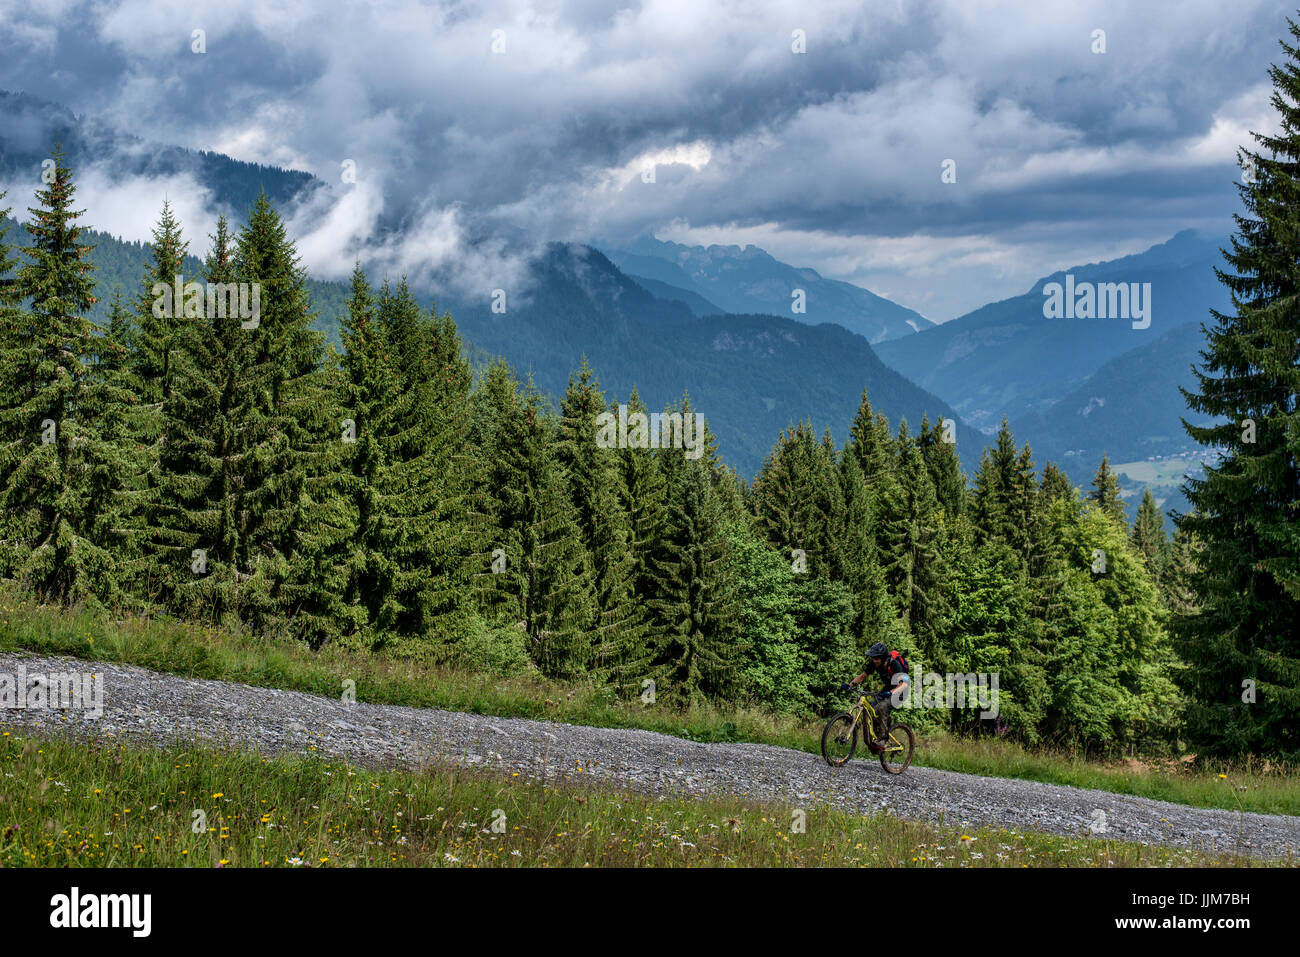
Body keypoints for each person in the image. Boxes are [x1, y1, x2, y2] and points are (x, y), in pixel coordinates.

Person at [841, 642, 910, 747]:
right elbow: (862, 676)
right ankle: (877, 738)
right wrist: (850, 685)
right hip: (888, 689)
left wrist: (890, 692)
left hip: (900, 691)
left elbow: (903, 684)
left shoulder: (894, 664)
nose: (874, 661)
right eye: (873, 658)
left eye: (877, 658)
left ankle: (883, 739)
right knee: (871, 712)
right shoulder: (874, 664)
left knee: (882, 707)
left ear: (883, 658)